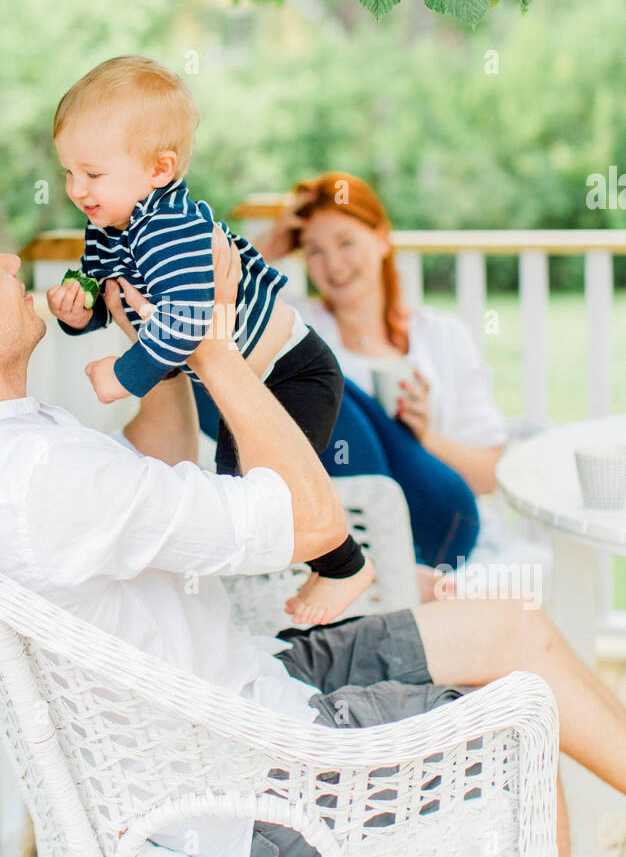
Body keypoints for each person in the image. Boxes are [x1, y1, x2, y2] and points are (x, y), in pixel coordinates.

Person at [0, 199, 626, 857]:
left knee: (510, 629)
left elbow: (159, 464)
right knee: (521, 738)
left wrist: (158, 355)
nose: (13, 258)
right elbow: (313, 523)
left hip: (243, 688)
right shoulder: (38, 480)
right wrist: (212, 350)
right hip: (261, 777)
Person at [47, 55, 367, 626]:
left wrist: (123, 376)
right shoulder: (110, 224)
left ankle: (346, 568)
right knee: (238, 500)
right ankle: (288, 596)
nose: (76, 189)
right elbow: (110, 296)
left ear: (159, 169)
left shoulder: (173, 230)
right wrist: (79, 311)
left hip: (292, 371)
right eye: (69, 172)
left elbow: (189, 323)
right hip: (243, 381)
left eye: (92, 174)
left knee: (270, 498)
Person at [196, 172, 511, 597]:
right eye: (314, 251)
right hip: (330, 523)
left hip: (440, 522)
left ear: (382, 239)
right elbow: (208, 313)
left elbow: (491, 475)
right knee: (224, 365)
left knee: (317, 372)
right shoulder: (294, 318)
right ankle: (362, 562)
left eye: (346, 242)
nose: (334, 265)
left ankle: (375, 562)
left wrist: (422, 436)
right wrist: (270, 245)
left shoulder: (441, 335)